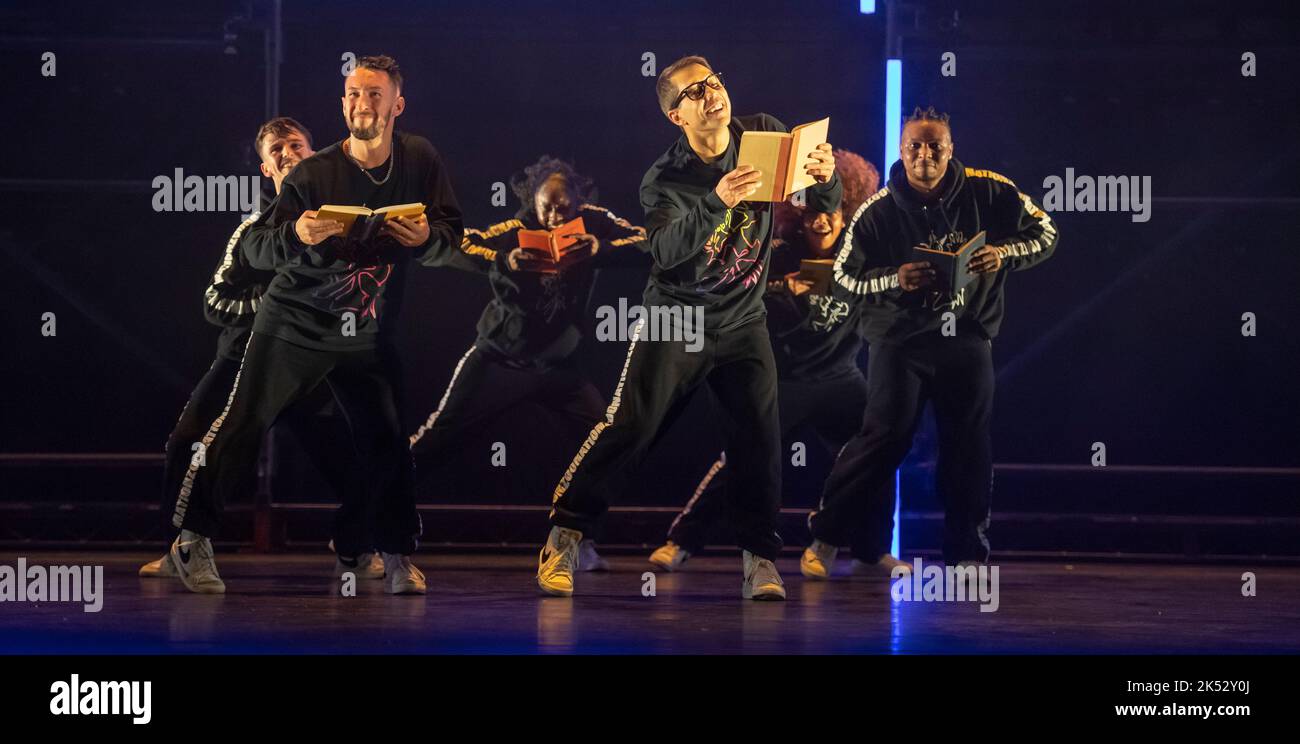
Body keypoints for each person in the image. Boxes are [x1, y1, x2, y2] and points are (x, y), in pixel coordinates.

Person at [536, 55, 841, 600]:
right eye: (694, 92)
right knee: (632, 426)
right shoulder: (666, 177)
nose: (711, 94)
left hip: (743, 317)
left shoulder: (763, 134)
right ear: (677, 116)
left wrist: (825, 177)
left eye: (714, 82)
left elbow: (818, 202)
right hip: (677, 315)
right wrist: (717, 200)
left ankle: (760, 559)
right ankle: (565, 532)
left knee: (757, 439)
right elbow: (668, 253)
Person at [169, 55, 464, 595]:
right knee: (244, 423)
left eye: (374, 94)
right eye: (352, 93)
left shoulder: (420, 158)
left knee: (389, 442)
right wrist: (296, 235)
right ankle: (192, 539)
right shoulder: (312, 173)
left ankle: (395, 552)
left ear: (397, 105)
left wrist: (427, 240)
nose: (361, 103)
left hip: (366, 334)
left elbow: (449, 233)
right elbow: (258, 246)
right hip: (294, 323)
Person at [804, 106, 1058, 574]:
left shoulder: (989, 189)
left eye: (934, 145)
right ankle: (826, 536)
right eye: (914, 147)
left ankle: (966, 554)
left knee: (968, 447)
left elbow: (1046, 232)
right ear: (901, 152)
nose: (925, 154)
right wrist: (895, 278)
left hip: (966, 337)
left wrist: (1002, 254)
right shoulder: (875, 212)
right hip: (900, 342)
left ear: (951, 148)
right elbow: (843, 279)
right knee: (883, 438)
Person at [139, 117, 383, 583]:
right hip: (243, 360)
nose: (288, 152)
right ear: (265, 168)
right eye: (277, 148)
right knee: (189, 442)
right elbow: (215, 300)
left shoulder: (343, 225)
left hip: (308, 365)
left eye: (297, 144)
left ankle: (356, 544)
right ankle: (182, 547)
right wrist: (271, 311)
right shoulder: (253, 229)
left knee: (355, 455)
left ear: (314, 156)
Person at [648, 150, 905, 577]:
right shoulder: (778, 252)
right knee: (742, 457)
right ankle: (682, 540)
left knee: (880, 446)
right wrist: (781, 289)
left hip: (841, 378)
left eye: (832, 212)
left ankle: (871, 549)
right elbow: (728, 290)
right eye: (811, 214)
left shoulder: (864, 255)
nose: (821, 221)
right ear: (798, 217)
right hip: (786, 379)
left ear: (848, 212)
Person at [409, 155, 648, 571]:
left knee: (606, 444)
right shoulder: (516, 229)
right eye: (547, 208)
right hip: (500, 360)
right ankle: (375, 524)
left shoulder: (593, 221)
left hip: (560, 368)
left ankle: (579, 537)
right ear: (532, 202)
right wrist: (505, 261)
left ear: (578, 202)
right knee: (436, 438)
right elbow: (460, 246)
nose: (555, 217)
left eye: (563, 208)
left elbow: (649, 241)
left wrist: (600, 249)